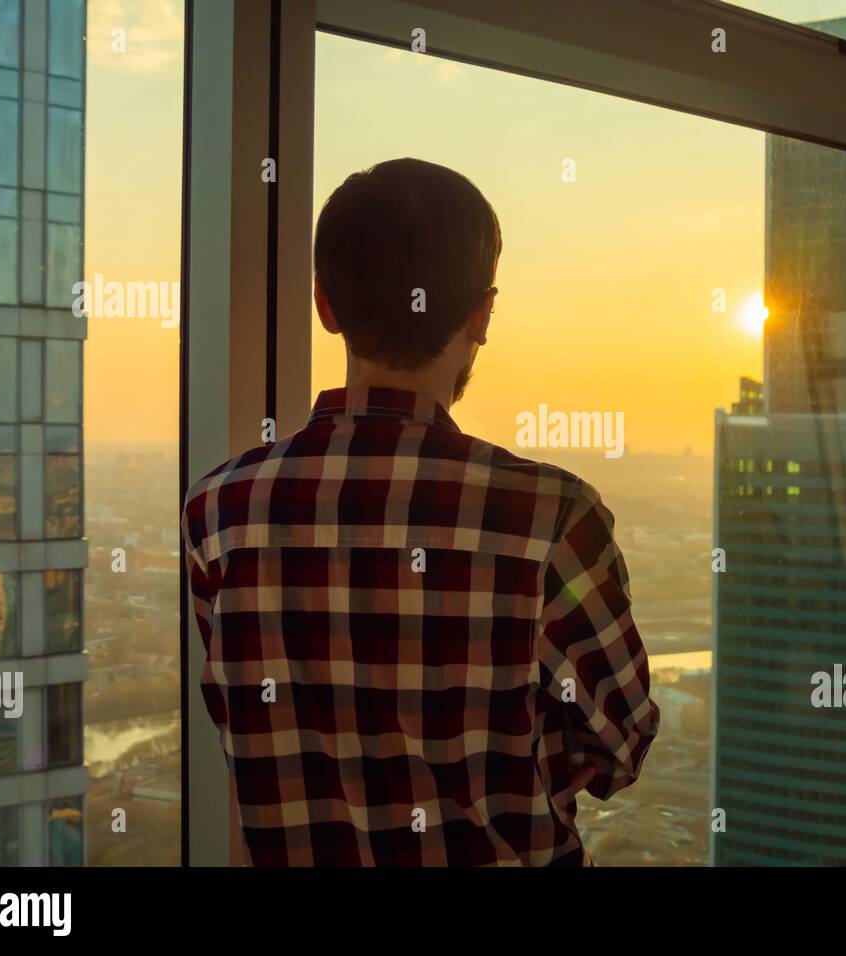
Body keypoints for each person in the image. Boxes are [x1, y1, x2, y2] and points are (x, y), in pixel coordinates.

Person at [182, 158, 659, 866]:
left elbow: (244, 724)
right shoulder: (551, 519)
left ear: (324, 304)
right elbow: (621, 749)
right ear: (482, 314)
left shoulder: (220, 512)